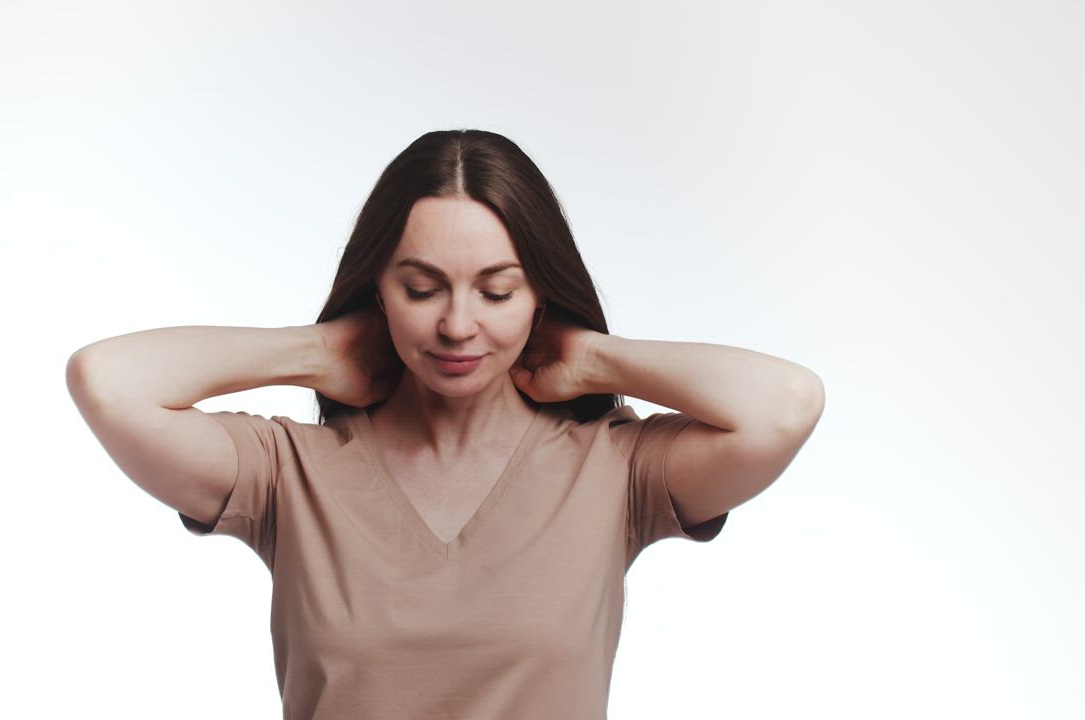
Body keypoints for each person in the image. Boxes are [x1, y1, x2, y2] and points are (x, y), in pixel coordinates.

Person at [65, 129, 824, 719]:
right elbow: (107, 380)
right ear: (379, 291)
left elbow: (784, 404)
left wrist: (592, 360)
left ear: (539, 298)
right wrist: (318, 350)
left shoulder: (613, 468)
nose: (458, 325)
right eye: (422, 287)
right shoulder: (286, 470)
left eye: (497, 291)